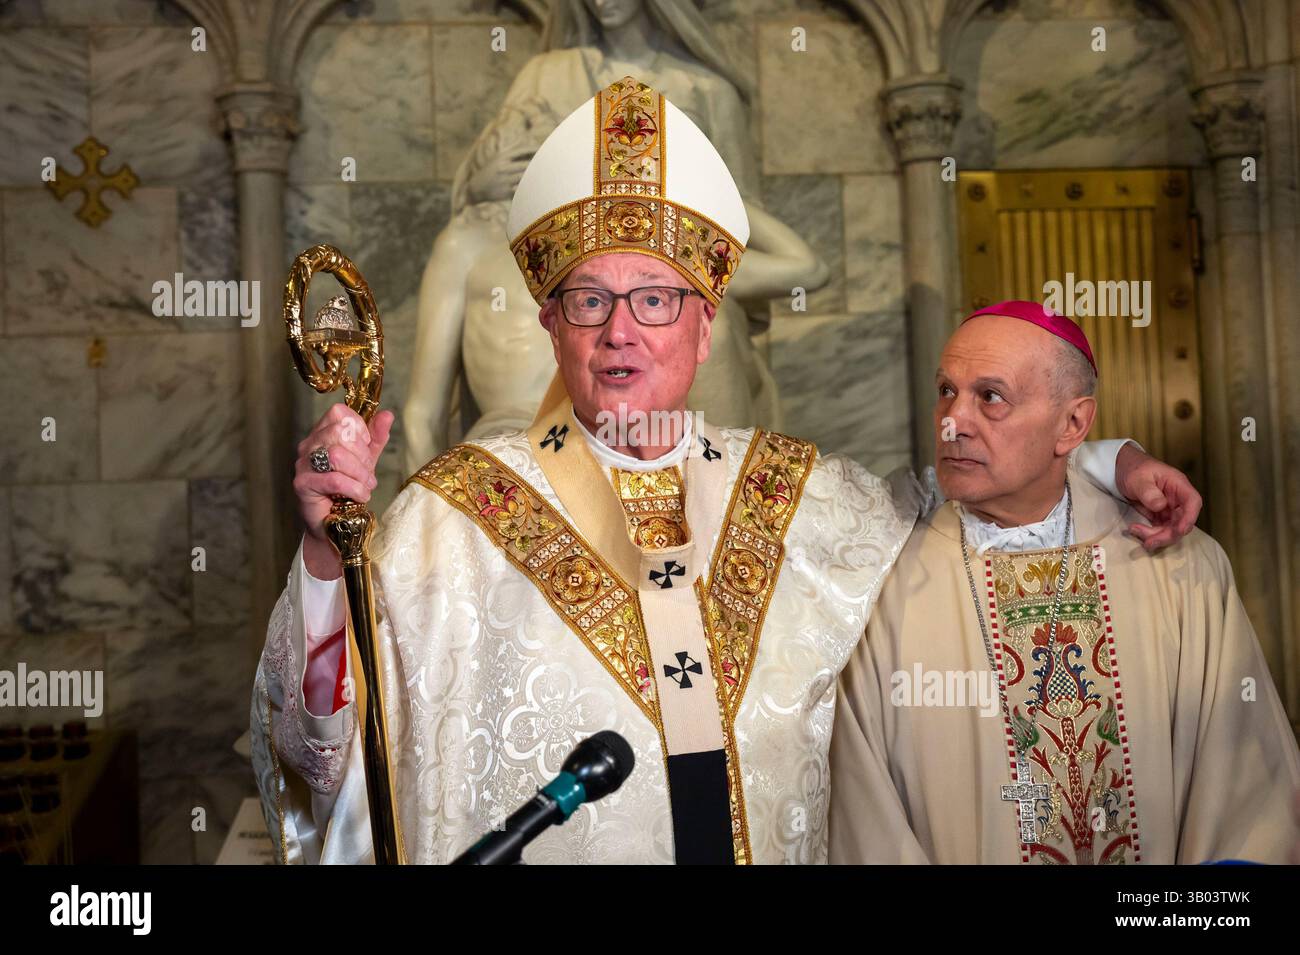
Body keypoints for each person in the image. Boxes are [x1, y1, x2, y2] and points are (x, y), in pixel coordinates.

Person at [251, 81, 1198, 864]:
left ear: (707, 327)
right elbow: (311, 758)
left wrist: (1111, 460)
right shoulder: (450, 515)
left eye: (655, 299)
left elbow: (977, 497)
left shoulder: (803, 495)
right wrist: (327, 555)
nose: (621, 330)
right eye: (589, 300)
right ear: (550, 326)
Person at [829, 301, 1300, 864]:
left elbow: (1246, 799)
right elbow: (863, 811)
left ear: (1073, 424)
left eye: (991, 397)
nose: (953, 421)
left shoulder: (1180, 569)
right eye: (945, 391)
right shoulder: (880, 582)